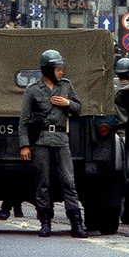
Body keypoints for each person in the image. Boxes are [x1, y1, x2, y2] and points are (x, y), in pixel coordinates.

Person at [19, 49, 86, 238]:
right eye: (57, 69)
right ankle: (45, 222)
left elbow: (79, 109)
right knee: (43, 182)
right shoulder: (33, 90)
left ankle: (76, 224)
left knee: (69, 182)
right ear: (48, 70)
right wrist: (24, 145)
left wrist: (68, 104)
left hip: (61, 140)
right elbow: (23, 121)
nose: (61, 72)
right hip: (41, 141)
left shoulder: (66, 86)